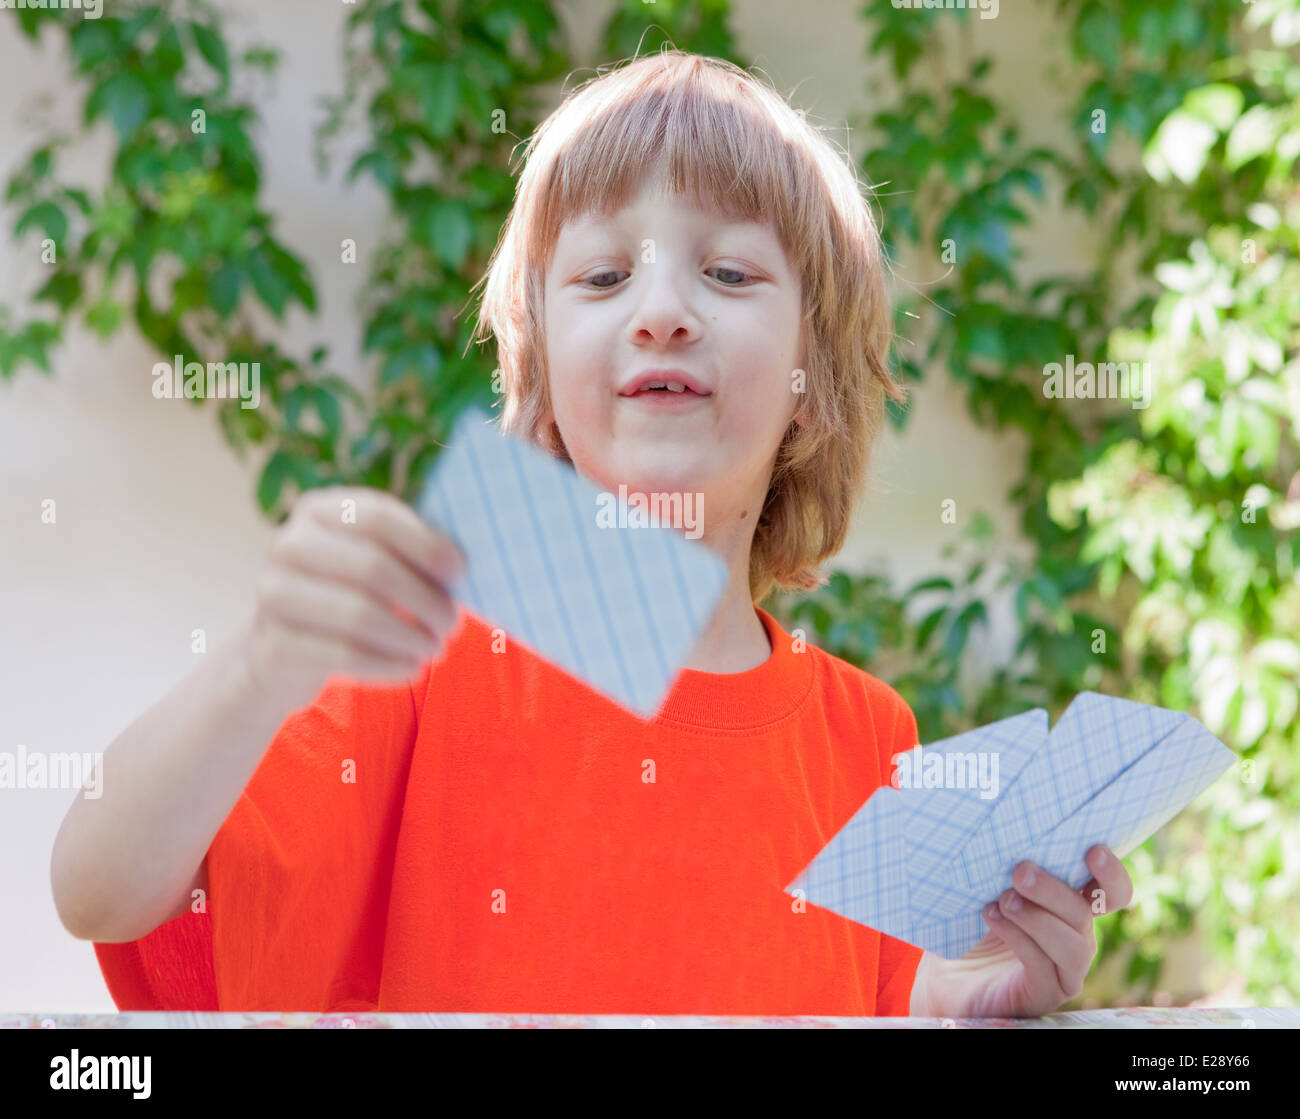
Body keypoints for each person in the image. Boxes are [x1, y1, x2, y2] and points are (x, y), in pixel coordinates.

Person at [52, 49, 1131, 1018]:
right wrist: (257, 665)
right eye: (604, 276)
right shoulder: (420, 661)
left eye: (730, 272)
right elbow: (99, 890)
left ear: (812, 385)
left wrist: (974, 997)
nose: (660, 308)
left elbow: (907, 1005)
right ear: (544, 382)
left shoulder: (872, 744)